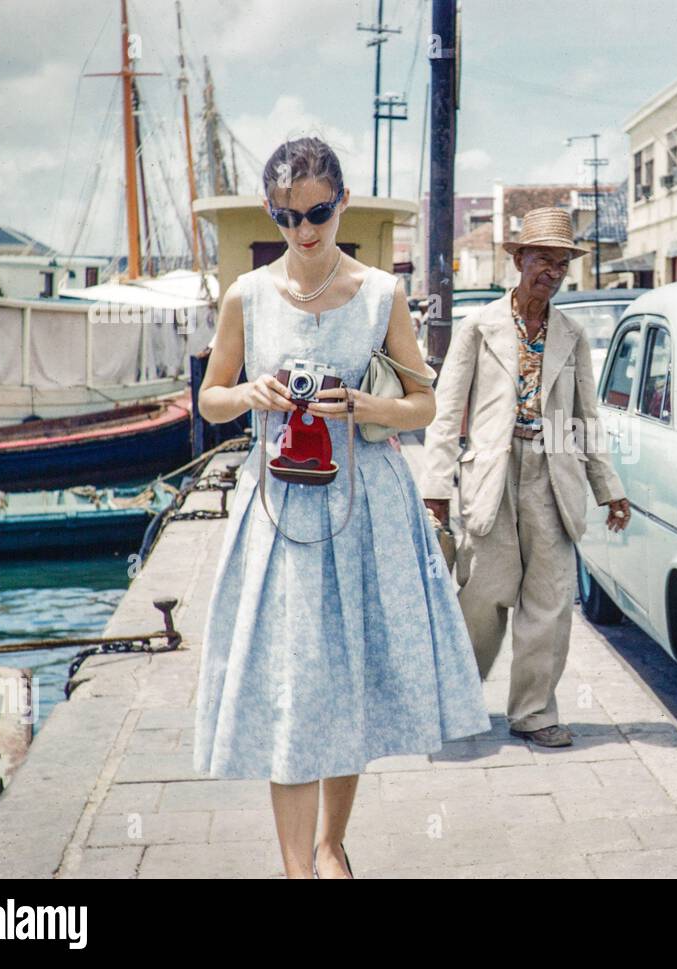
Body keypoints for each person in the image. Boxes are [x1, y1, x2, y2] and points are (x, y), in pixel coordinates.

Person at [193, 137, 491, 879]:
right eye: (287, 215)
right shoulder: (247, 295)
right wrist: (248, 395)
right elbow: (209, 396)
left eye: (318, 212)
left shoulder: (382, 294)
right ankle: (300, 866)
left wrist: (365, 405)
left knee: (346, 677)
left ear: (342, 203)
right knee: (292, 683)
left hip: (364, 510)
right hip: (278, 514)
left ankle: (332, 842)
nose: (304, 230)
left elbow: (424, 404)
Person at [420, 207, 631, 749]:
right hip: (492, 472)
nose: (552, 273)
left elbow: (587, 418)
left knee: (550, 602)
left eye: (561, 264)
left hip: (553, 474)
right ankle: (459, 703)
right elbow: (447, 412)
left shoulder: (572, 334)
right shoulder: (479, 326)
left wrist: (609, 489)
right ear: (518, 260)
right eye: (543, 260)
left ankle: (534, 713)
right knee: (483, 596)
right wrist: (435, 490)